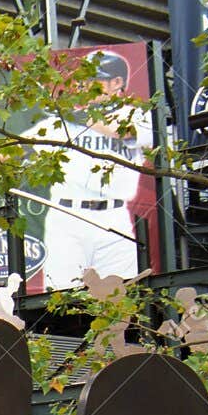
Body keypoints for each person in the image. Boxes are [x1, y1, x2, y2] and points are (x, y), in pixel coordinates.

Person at [21, 49, 151, 293]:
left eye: (95, 79)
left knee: (121, 297)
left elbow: (120, 130)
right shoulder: (61, 122)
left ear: (117, 83)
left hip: (114, 218)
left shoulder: (137, 114)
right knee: (61, 299)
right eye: (85, 79)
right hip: (67, 218)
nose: (86, 85)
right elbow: (14, 150)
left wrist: (76, 115)